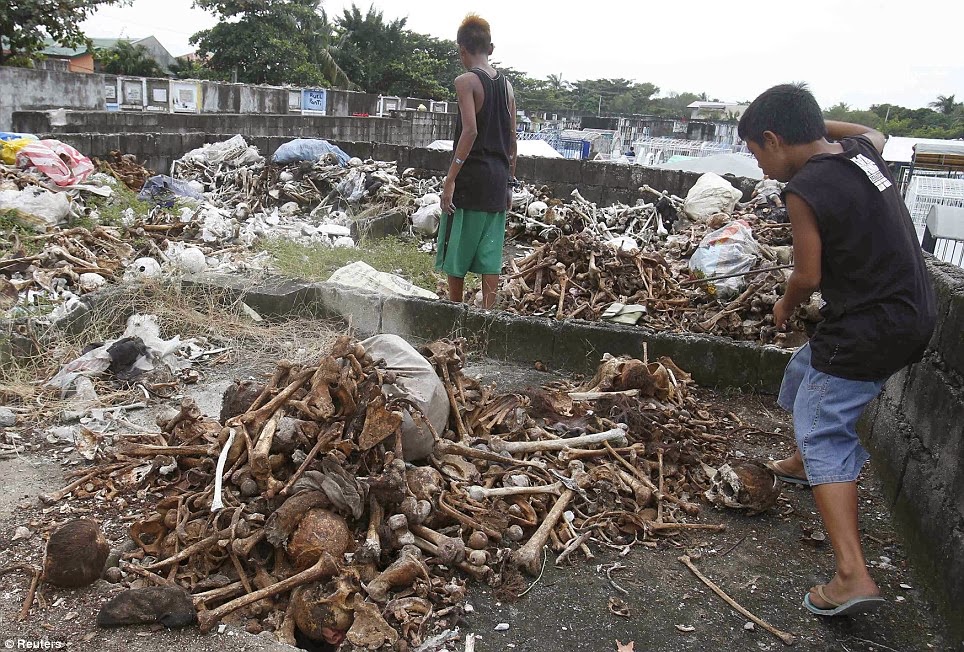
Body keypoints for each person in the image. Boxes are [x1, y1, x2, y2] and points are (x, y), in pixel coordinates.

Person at [739, 84, 935, 617]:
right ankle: (806, 462)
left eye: (758, 153)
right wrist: (822, 129)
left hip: (870, 325)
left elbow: (807, 275)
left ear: (775, 140)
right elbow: (875, 131)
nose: (759, 168)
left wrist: (784, 306)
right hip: (911, 311)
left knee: (823, 421)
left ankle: (851, 574)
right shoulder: (861, 155)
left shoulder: (804, 189)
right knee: (807, 373)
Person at [437, 14, 517, 308]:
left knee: (456, 249)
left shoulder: (466, 82)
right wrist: (510, 182)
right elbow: (512, 139)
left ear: (462, 50)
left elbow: (470, 131)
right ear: (490, 48)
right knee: (490, 254)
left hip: (471, 178)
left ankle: (455, 313)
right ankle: (487, 317)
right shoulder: (507, 86)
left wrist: (450, 180)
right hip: (498, 178)